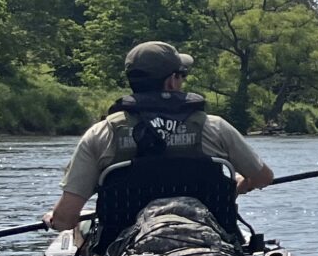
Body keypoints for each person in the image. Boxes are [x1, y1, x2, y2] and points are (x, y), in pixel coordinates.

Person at [46, 40, 275, 245]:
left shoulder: (101, 134)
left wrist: (54, 220)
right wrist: (238, 185)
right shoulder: (215, 127)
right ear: (171, 81)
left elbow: (66, 218)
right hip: (213, 248)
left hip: (122, 254)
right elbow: (263, 177)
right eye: (182, 74)